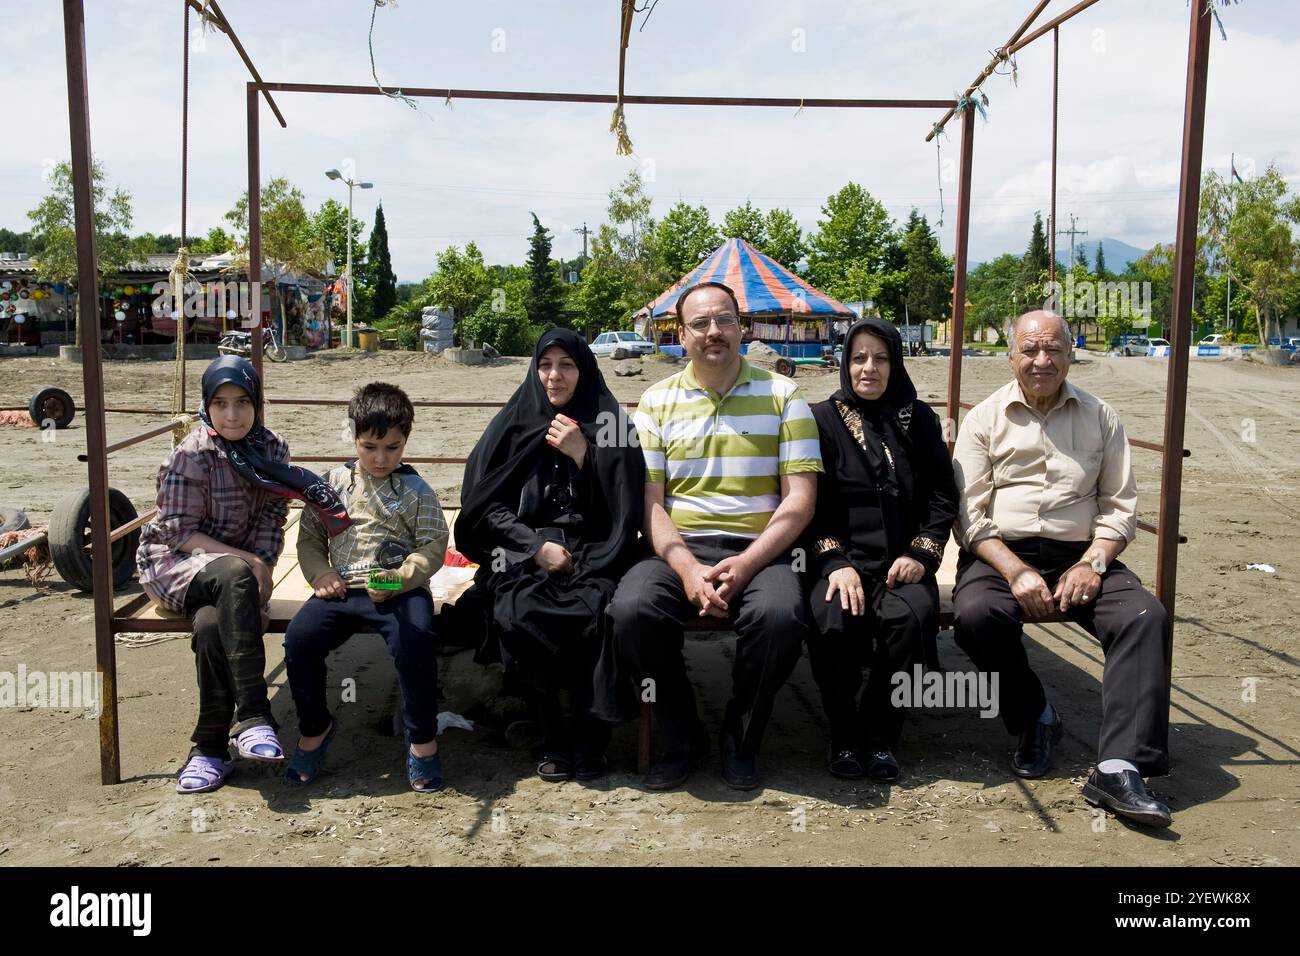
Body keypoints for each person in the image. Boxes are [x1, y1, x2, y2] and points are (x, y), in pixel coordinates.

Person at [951, 310, 1173, 828]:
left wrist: (1093, 562)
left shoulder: (1102, 416)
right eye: (1029, 350)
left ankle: (1119, 768)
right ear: (1011, 357)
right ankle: (1035, 716)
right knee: (976, 615)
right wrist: (1014, 570)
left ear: (1071, 354)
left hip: (1081, 554)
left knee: (1144, 617)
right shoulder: (984, 418)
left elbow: (1119, 508)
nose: (1042, 361)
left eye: (1053, 349)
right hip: (1002, 553)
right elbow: (970, 516)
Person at [608, 282, 822, 791]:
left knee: (779, 619)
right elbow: (651, 505)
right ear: (681, 335)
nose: (714, 332)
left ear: (741, 327)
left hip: (761, 550)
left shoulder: (784, 396)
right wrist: (686, 569)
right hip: (678, 549)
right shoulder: (657, 402)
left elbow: (800, 501)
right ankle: (680, 733)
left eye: (724, 320)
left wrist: (746, 564)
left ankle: (741, 735)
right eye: (700, 323)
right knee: (630, 612)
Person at [136, 355, 352, 794]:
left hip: (230, 581)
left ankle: (209, 749)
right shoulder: (191, 455)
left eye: (241, 402)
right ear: (206, 406)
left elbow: (272, 519)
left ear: (256, 403)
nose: (231, 414)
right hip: (175, 566)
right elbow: (178, 534)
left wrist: (265, 568)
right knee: (234, 572)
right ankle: (254, 714)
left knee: (212, 623)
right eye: (220, 403)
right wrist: (249, 564)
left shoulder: (271, 449)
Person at [457, 328, 644, 782]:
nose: (554, 376)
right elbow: (483, 504)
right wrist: (534, 546)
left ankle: (592, 738)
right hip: (527, 550)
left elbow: (628, 503)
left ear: (585, 369)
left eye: (567, 365)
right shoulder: (515, 420)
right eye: (545, 365)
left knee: (600, 613)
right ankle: (551, 733)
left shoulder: (610, 421)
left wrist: (586, 456)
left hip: (597, 550)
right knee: (518, 609)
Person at [804, 317, 957, 782]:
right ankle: (844, 732)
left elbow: (940, 495)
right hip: (839, 561)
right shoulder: (820, 419)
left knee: (909, 619)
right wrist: (833, 561)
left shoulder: (920, 419)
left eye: (881, 358)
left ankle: (880, 732)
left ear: (896, 363)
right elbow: (805, 504)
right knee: (834, 620)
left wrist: (921, 553)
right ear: (845, 362)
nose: (869, 368)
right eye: (858, 358)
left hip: (901, 564)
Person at [283, 383, 449, 792]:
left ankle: (422, 740)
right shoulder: (330, 486)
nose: (381, 458)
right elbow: (309, 539)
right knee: (298, 639)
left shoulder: (416, 491)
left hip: (400, 591)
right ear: (354, 437)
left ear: (405, 440)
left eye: (393, 447)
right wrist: (320, 574)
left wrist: (403, 577)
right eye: (371, 446)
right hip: (340, 590)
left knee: (416, 640)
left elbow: (433, 545)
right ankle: (315, 727)